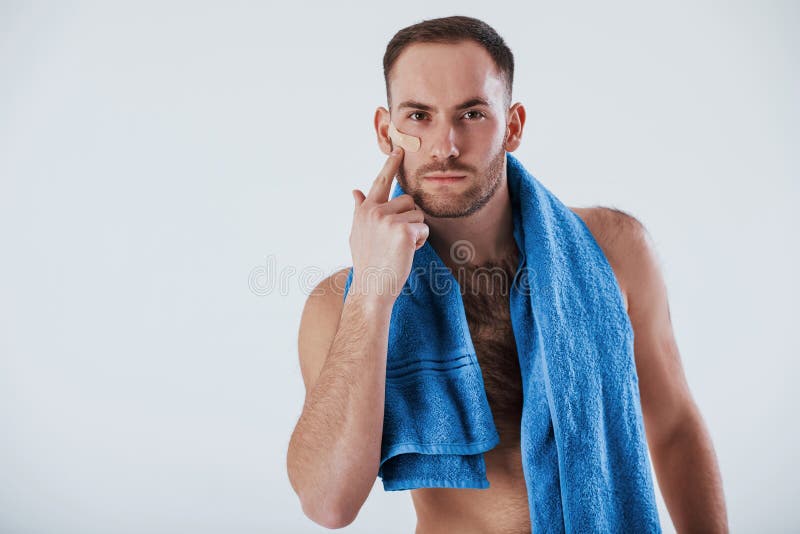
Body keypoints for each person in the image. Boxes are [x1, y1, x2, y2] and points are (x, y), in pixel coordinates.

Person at [287, 15, 728, 533]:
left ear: (513, 126)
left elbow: (674, 425)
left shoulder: (614, 250)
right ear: (387, 132)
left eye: (471, 113)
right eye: (419, 116)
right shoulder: (337, 305)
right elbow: (327, 504)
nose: (445, 145)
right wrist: (372, 293)